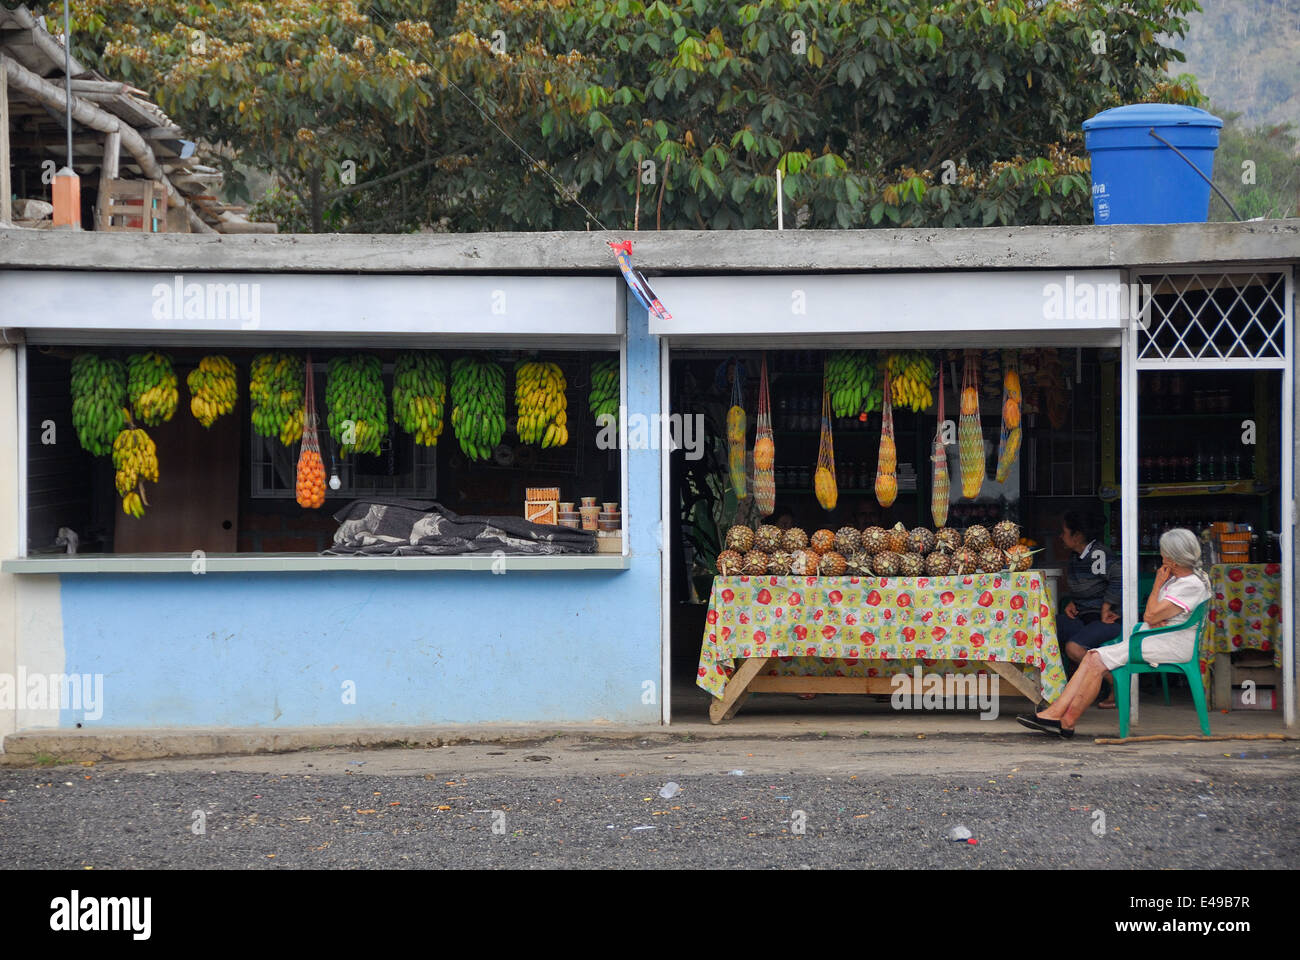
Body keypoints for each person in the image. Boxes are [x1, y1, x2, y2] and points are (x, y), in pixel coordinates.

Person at [1017, 528, 1211, 738]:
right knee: (1093, 657)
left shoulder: (1189, 584)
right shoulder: (1178, 581)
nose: (1161, 556)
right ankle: (1059, 716)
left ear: (1173, 559)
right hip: (1154, 639)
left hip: (1168, 645)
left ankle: (1065, 719)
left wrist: (1156, 588)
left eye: (1164, 553)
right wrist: (1155, 617)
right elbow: (1154, 617)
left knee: (1096, 659)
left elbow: (1150, 615)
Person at [1057, 510, 1123, 705]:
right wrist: (1072, 601)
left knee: (1074, 648)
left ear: (1077, 536)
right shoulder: (1076, 557)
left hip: (1106, 620)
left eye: (1064, 532)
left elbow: (1119, 577)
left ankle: (1116, 684)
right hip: (1083, 617)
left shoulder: (1099, 554)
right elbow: (1086, 587)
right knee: (1045, 627)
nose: (1061, 537)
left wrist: (1107, 606)